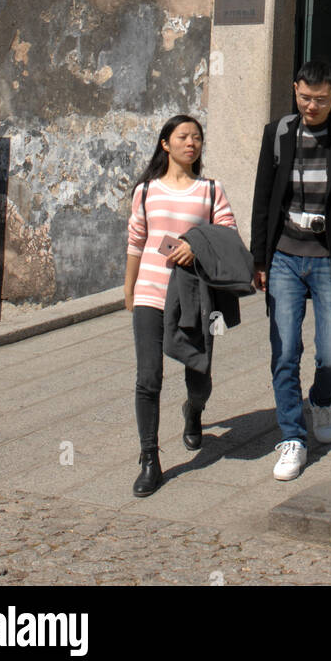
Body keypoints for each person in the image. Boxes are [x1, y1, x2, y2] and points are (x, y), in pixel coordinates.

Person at [251, 59, 331, 481]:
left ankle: (321, 401)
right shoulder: (279, 134)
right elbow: (263, 199)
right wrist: (259, 259)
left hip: (329, 260)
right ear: (295, 90)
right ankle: (291, 437)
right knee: (285, 350)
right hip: (285, 256)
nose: (311, 105)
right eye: (304, 97)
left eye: (320, 99)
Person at [124, 113, 236, 497]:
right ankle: (149, 459)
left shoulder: (210, 190)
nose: (191, 143)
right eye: (183, 137)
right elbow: (136, 242)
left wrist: (195, 246)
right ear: (165, 144)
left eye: (197, 138)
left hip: (193, 296)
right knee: (148, 377)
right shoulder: (146, 191)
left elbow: (227, 235)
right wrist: (129, 288)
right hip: (151, 294)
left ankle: (194, 411)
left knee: (199, 376)